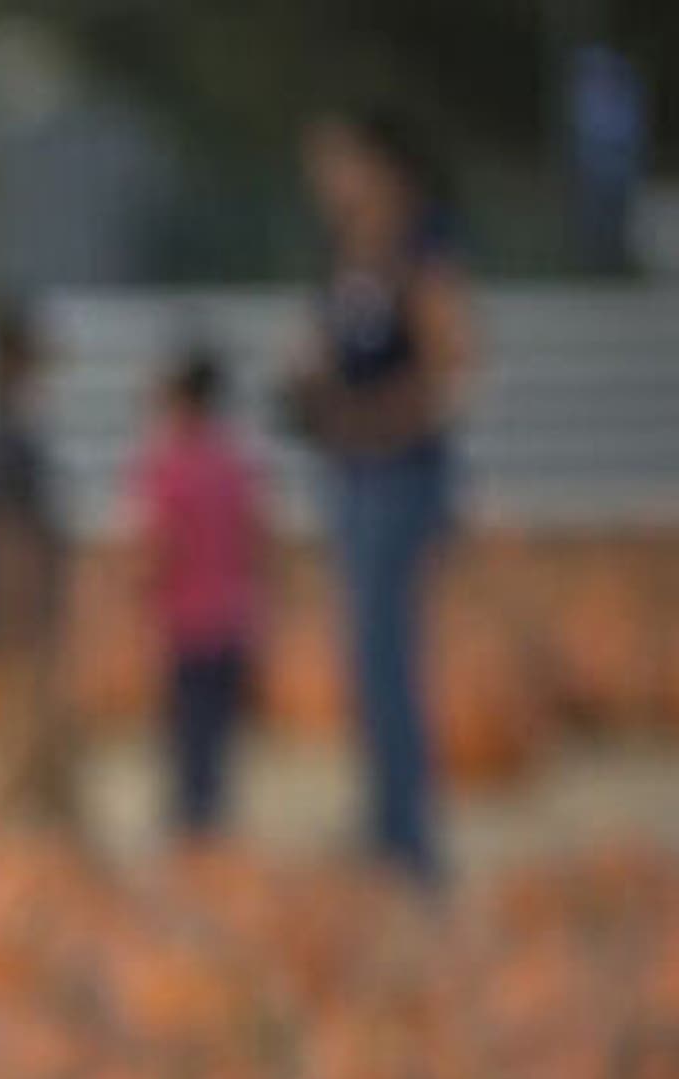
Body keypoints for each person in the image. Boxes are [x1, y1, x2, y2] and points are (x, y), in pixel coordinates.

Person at [284, 106, 476, 884]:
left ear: (379, 166)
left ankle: (409, 843)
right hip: (351, 469)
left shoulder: (422, 249)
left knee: (390, 657)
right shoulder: (344, 256)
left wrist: (373, 421)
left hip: (399, 470)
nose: (325, 183)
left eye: (338, 164)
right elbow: (326, 351)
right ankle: (384, 824)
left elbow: (449, 364)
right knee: (364, 657)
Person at [127, 344, 267, 845]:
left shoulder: (167, 466)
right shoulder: (236, 462)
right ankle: (213, 829)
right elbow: (256, 540)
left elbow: (160, 545)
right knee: (217, 737)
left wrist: (135, 590)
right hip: (233, 619)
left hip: (184, 621)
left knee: (185, 736)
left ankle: (191, 836)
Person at [0, 297, 73, 831]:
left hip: (7, 603)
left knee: (30, 732)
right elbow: (8, 535)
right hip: (15, 607)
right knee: (19, 732)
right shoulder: (6, 440)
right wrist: (22, 607)